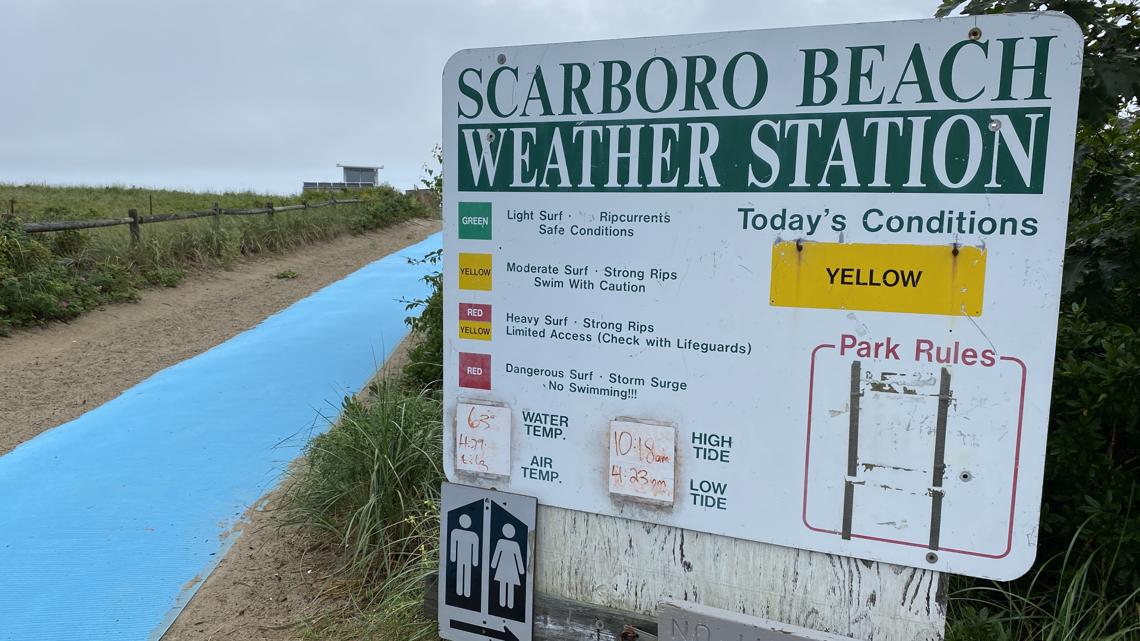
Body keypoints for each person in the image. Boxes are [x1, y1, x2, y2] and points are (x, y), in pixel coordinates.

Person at [490, 523, 525, 608]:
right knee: (508, 585)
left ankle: (506, 603)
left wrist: (493, 565)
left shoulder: (503, 542)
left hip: (506, 567)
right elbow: (497, 554)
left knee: (507, 584)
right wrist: (521, 570)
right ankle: (507, 604)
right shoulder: (511, 544)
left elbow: (518, 557)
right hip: (508, 567)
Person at [449, 514, 479, 597]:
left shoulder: (473, 535)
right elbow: (453, 545)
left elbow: (475, 549)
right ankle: (459, 591)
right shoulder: (456, 532)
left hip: (467, 558)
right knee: (460, 573)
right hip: (460, 557)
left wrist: (475, 561)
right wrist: (453, 557)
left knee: (467, 574)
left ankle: (466, 592)